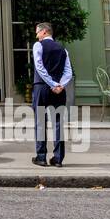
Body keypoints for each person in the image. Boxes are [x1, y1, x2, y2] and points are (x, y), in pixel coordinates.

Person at [31, 22, 72, 167]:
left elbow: (39, 67)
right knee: (58, 124)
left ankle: (41, 157)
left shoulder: (38, 46)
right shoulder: (63, 49)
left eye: (37, 32)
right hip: (59, 91)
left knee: (40, 122)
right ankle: (58, 159)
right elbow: (68, 72)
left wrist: (52, 84)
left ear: (44, 32)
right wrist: (60, 85)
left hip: (41, 88)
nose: (36, 35)